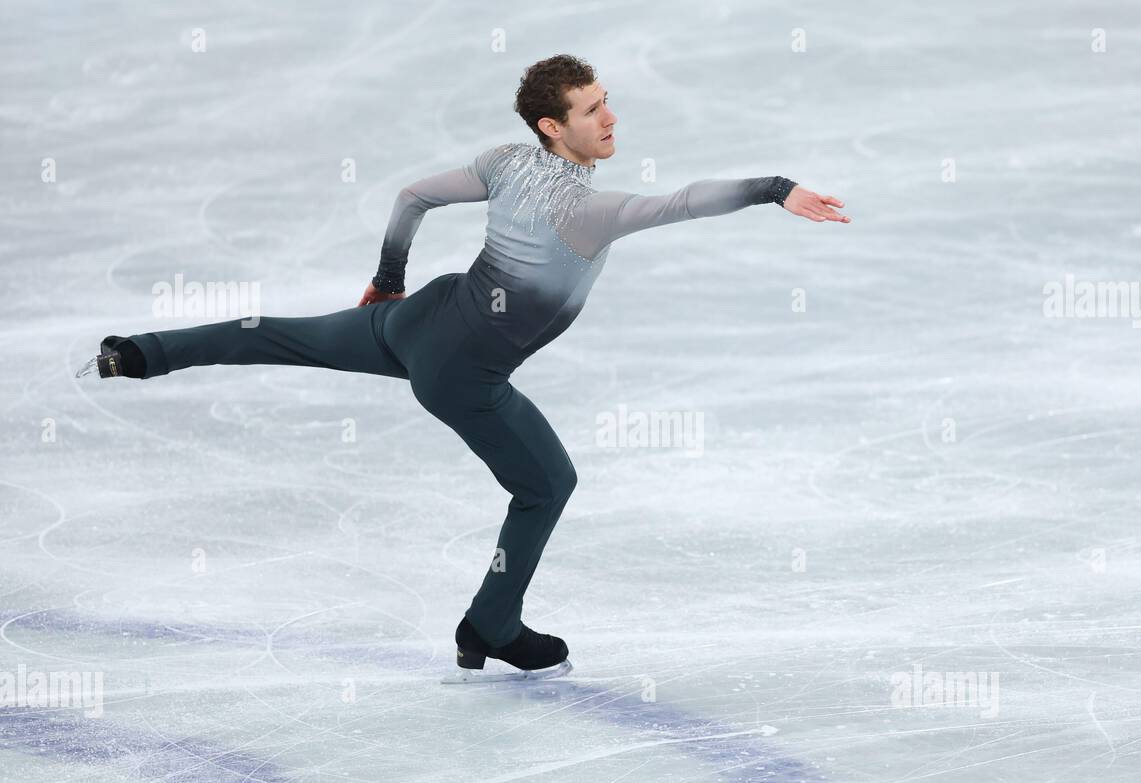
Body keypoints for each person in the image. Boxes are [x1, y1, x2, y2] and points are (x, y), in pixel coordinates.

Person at [77, 53, 850, 677]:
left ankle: (140, 354)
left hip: (419, 321)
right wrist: (776, 190)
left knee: (280, 334)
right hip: (462, 375)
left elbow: (413, 195)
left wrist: (388, 277)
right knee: (548, 485)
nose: (611, 117)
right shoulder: (591, 211)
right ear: (554, 126)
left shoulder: (506, 161)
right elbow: (687, 201)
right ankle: (491, 624)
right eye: (592, 110)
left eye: (606, 99)